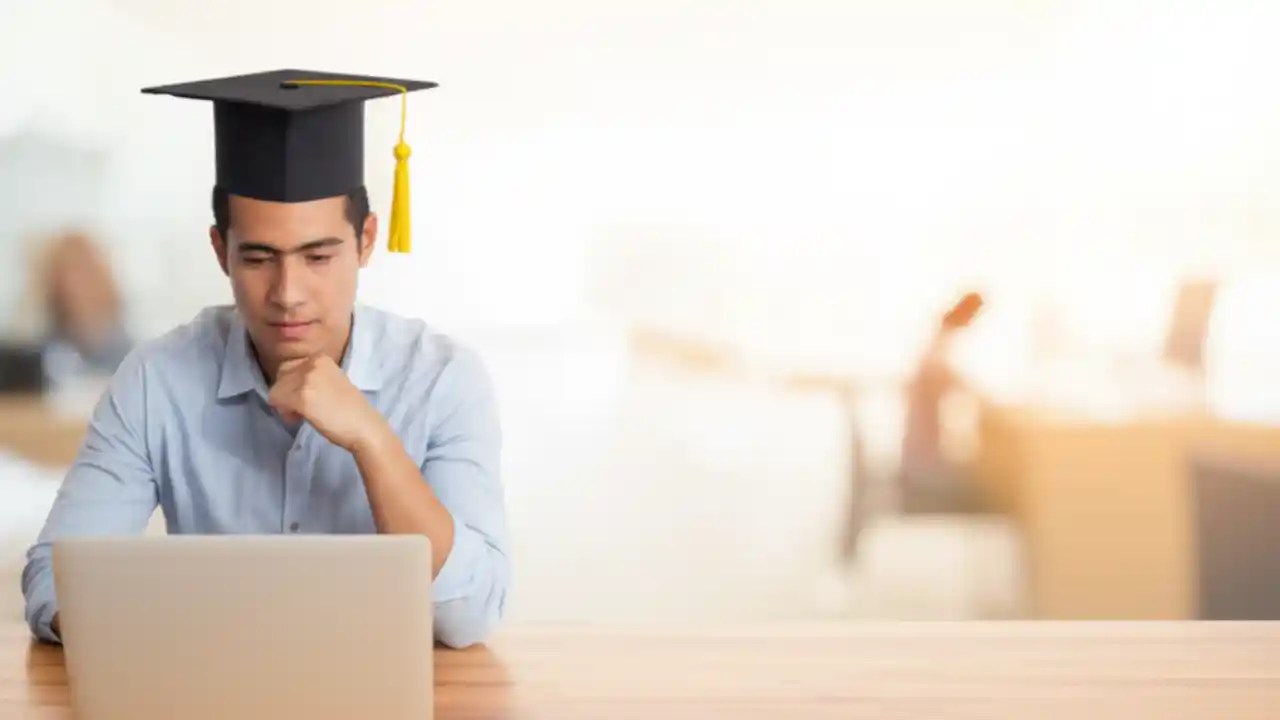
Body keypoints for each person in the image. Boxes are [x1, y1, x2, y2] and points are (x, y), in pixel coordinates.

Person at [22, 70, 509, 649]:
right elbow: (54, 580)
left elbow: (469, 615)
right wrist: (175, 630)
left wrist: (371, 441)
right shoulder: (157, 380)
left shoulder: (444, 380)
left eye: (318, 256)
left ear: (367, 241)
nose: (288, 293)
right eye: (258, 258)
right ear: (220, 250)